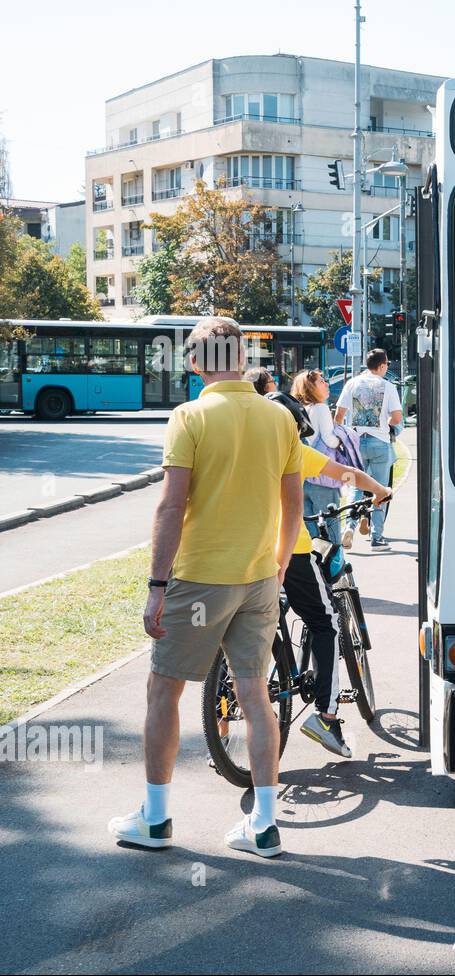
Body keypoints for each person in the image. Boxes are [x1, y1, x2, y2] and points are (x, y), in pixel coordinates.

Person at [110, 316, 303, 860]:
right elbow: (293, 504)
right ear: (242, 357)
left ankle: (155, 817)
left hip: (199, 579)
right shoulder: (279, 417)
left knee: (163, 691)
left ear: (194, 363)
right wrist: (280, 562)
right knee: (255, 694)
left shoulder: (189, 417)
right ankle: (263, 825)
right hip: (259, 577)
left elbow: (172, 506)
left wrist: (155, 585)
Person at [282, 436, 391, 758]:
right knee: (325, 622)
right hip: (289, 550)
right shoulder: (286, 445)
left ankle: (220, 724)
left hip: (238, 550)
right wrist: (380, 491)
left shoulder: (231, 443)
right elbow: (345, 474)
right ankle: (326, 718)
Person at [335, 350, 402, 551]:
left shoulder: (352, 383)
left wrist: (342, 436)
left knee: (355, 486)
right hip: (380, 442)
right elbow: (397, 418)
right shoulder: (387, 387)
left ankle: (349, 526)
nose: (387, 367)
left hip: (356, 443)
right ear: (381, 366)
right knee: (381, 488)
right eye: (387, 364)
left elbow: (339, 415)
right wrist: (384, 426)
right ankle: (377, 537)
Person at [292, 369, 344, 544]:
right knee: (331, 528)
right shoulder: (320, 408)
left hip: (302, 478)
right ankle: (335, 566)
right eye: (321, 382)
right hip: (322, 477)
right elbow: (329, 440)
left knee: (311, 531)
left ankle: (317, 567)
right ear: (310, 387)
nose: (326, 384)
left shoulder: (300, 409)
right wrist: (341, 440)